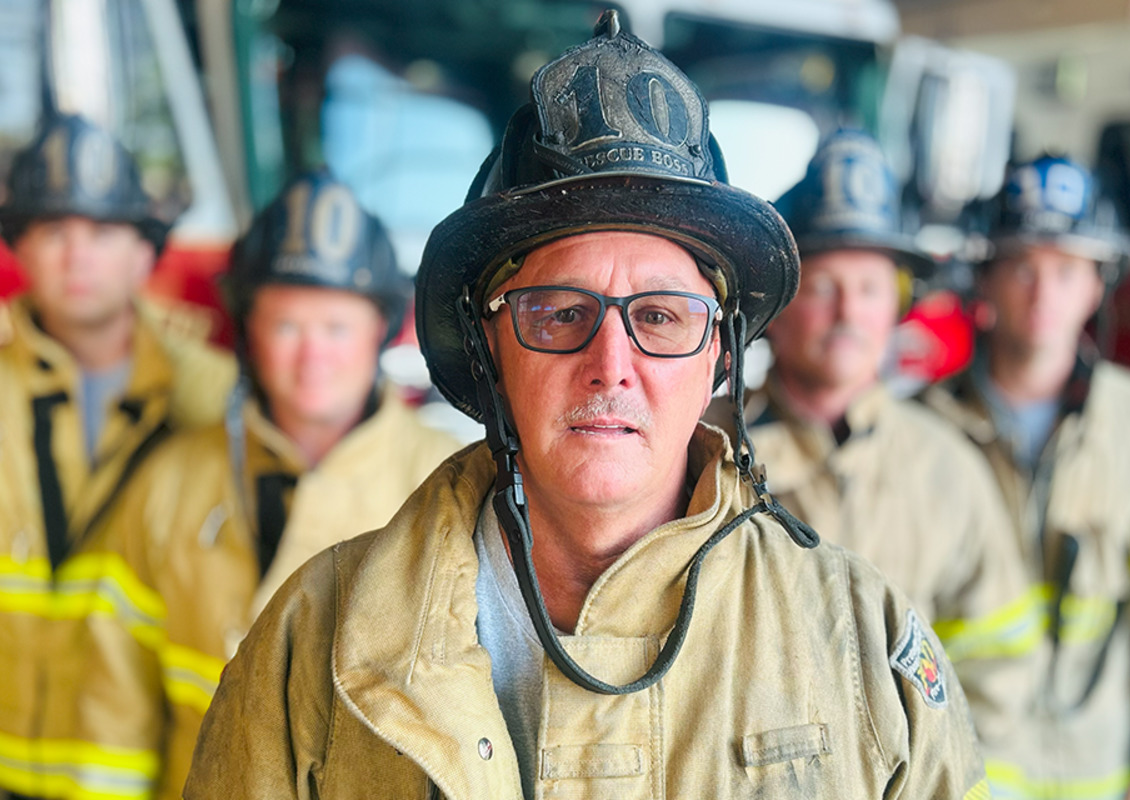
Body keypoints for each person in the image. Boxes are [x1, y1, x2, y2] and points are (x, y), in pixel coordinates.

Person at [186, 13, 990, 799]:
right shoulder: (313, 644)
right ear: (490, 349)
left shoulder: (863, 644)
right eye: (559, 314)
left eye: (662, 318)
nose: (611, 368)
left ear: (719, 355)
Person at [74, 170, 461, 800]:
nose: (312, 356)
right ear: (248, 334)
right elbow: (113, 702)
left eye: (336, 327)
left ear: (380, 333)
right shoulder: (169, 482)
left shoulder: (450, 491)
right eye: (286, 326)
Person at [707, 129, 1041, 754]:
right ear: (776, 307)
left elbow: (999, 668)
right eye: (825, 286)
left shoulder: (947, 468)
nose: (848, 315)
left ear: (897, 306)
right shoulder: (700, 451)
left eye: (870, 289)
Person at [922, 154, 1130, 800]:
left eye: (1068, 270)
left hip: (1100, 779)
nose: (1044, 292)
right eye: (1023, 266)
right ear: (984, 280)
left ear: (1098, 286)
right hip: (960, 778)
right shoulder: (923, 436)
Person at [0, 114, 235, 800]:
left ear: (144, 253)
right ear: (20, 250)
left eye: (101, 233)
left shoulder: (216, 398)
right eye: (53, 233)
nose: (77, 257)